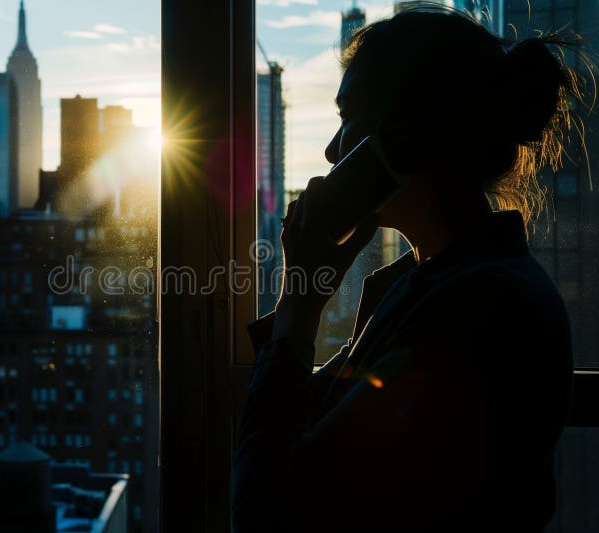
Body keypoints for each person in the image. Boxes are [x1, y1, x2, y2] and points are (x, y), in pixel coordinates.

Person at [232, 7, 592, 532]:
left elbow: (266, 513)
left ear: (407, 132)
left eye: (347, 117)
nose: (332, 150)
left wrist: (301, 303)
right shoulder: (422, 284)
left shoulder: (478, 310)